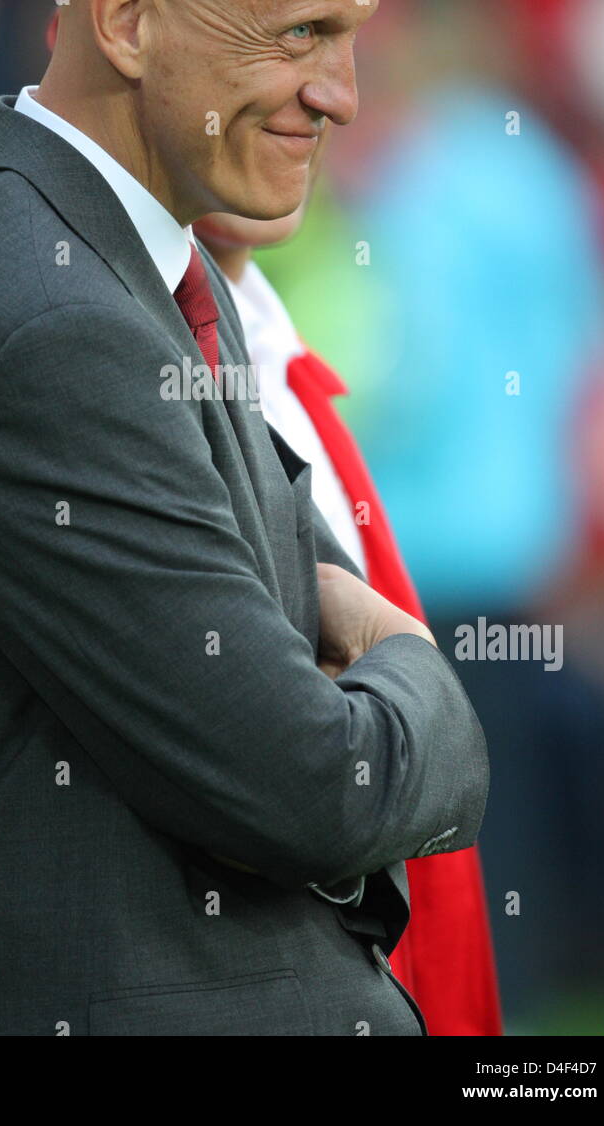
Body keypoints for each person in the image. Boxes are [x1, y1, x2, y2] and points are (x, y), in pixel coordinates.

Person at [0, 0, 489, 1036]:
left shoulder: (127, 277)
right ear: (129, 17)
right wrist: (420, 670)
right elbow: (312, 788)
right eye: (299, 33)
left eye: (349, 38)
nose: (340, 94)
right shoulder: (52, 323)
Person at [195, 203, 502, 1036]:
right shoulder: (123, 362)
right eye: (272, 57)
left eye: (338, 60)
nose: (331, 94)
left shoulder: (274, 350)